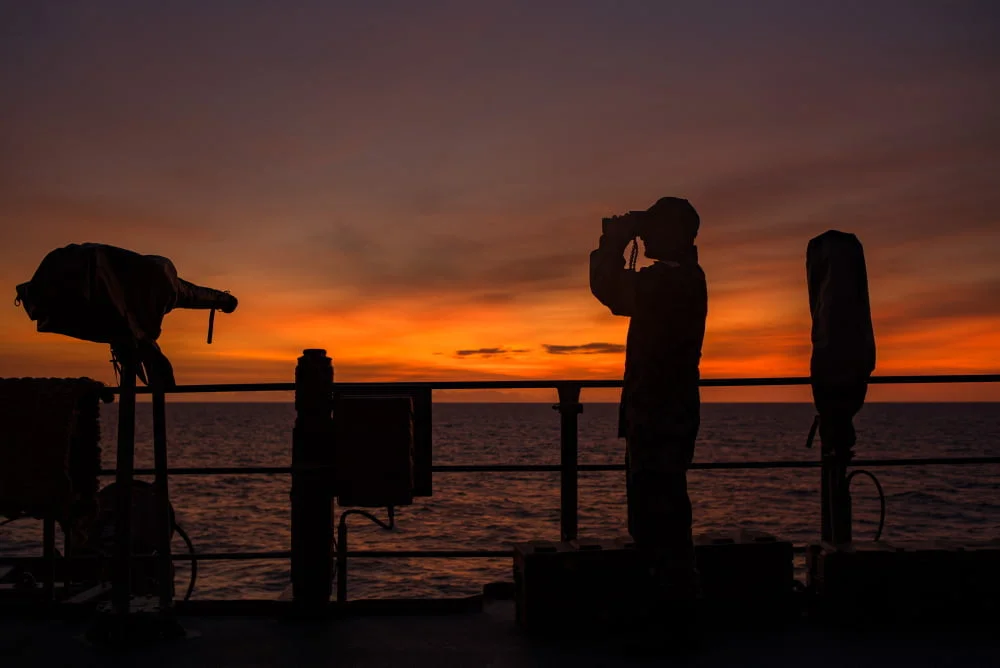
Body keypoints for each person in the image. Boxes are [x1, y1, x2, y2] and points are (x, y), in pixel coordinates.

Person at [589, 196, 707, 603]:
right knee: (662, 517)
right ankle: (671, 611)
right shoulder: (681, 277)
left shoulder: (672, 282)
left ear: (674, 234)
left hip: (660, 415)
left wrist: (612, 244)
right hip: (662, 413)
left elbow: (611, 290)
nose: (648, 232)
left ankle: (671, 615)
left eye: (655, 226)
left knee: (660, 521)